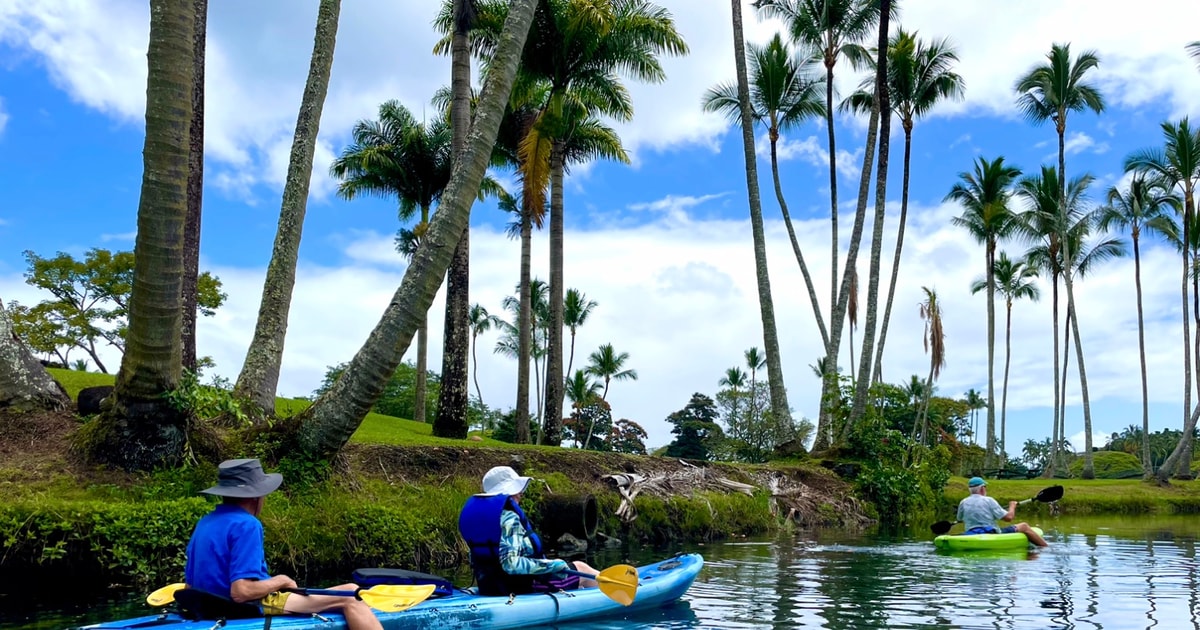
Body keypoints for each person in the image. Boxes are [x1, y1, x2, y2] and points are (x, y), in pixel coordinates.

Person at [184, 458, 383, 629]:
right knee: (352, 597)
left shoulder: (205, 522)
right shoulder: (247, 524)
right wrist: (282, 581)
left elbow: (189, 586)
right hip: (245, 606)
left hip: (209, 606)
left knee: (350, 587)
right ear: (256, 496)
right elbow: (241, 592)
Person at [458, 465, 600, 596]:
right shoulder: (509, 518)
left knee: (577, 569)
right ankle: (616, 597)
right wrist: (554, 565)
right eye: (517, 489)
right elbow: (511, 564)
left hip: (489, 584)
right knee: (582, 569)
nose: (521, 493)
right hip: (524, 585)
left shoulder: (485, 518)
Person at [957, 476, 1048, 547]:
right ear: (981, 488)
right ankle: (1045, 547)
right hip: (991, 533)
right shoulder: (989, 500)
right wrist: (1012, 506)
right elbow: (1009, 518)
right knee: (1024, 526)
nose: (986, 489)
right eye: (985, 487)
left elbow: (960, 518)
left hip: (971, 533)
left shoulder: (963, 502)